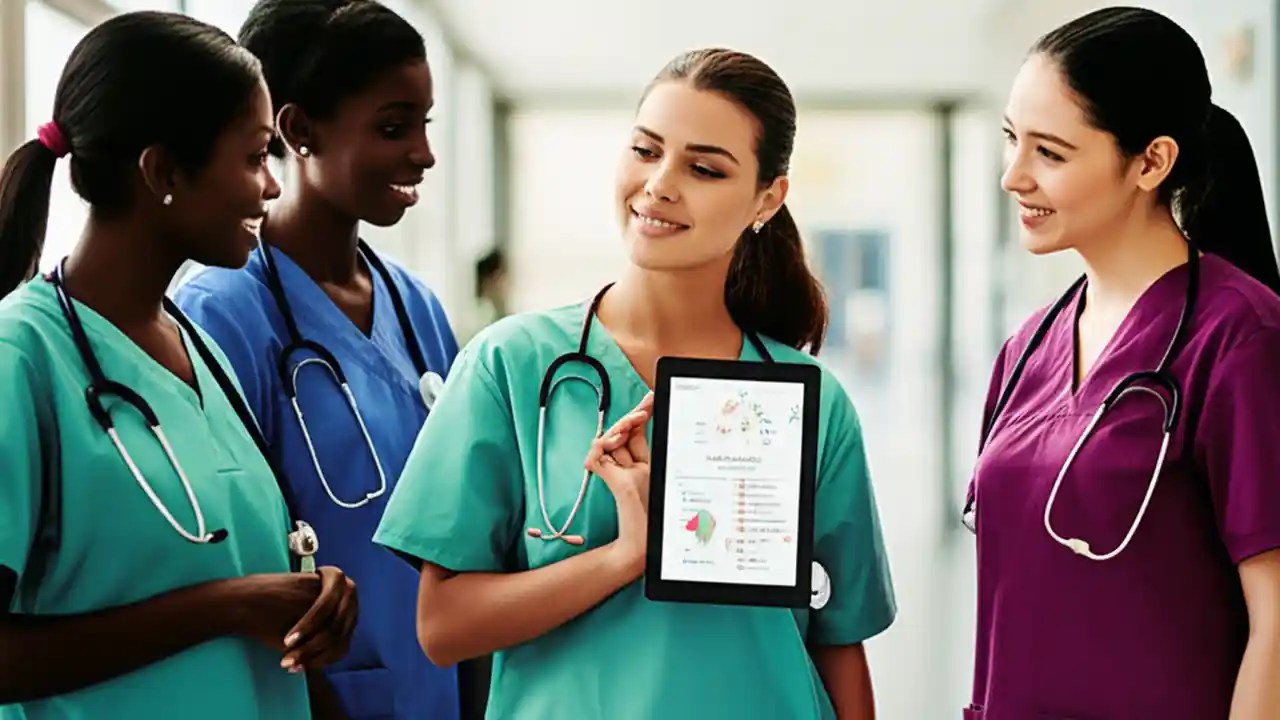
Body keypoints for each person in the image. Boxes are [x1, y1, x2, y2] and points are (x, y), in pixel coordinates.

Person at [373, 48, 896, 719]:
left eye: (704, 168)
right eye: (646, 150)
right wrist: (624, 557)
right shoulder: (511, 365)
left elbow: (840, 642)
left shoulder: (808, 402)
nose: (660, 184)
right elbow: (443, 627)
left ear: (768, 198)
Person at [0, 11, 358, 720]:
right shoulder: (22, 357)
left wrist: (305, 599)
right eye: (256, 157)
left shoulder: (203, 350)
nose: (273, 187)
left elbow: (230, 574)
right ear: (162, 170)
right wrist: (224, 606)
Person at [964, 7, 1280, 719]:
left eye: (1050, 151)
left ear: (1151, 162)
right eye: (1011, 139)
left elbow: (1278, 623)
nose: (1013, 176)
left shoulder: (1241, 338)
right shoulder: (1026, 350)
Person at [172, 2, 460, 718]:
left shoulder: (418, 307)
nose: (423, 153)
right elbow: (227, 559)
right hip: (310, 697)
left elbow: (464, 524)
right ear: (297, 131)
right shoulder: (220, 312)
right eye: (394, 127)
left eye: (426, 125)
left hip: (440, 684)